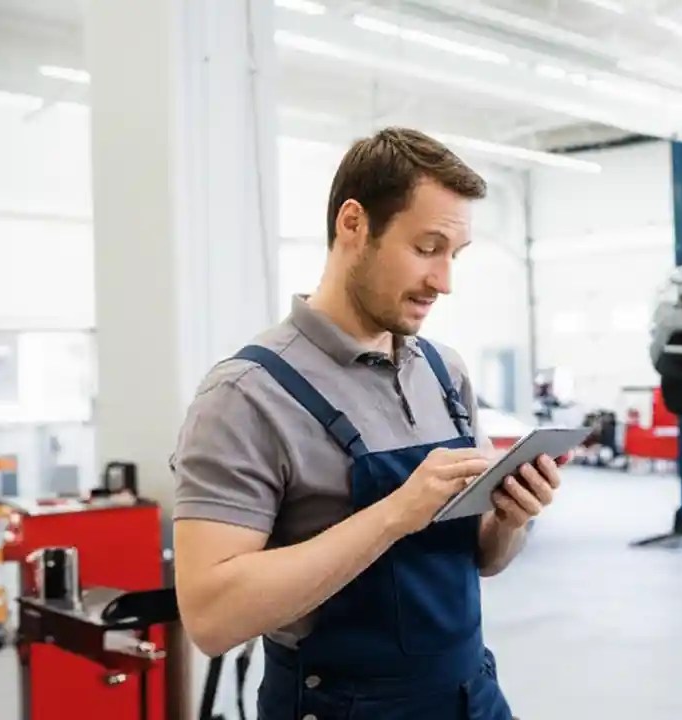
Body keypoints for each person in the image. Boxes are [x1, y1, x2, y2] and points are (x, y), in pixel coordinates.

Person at [170, 127, 559, 719]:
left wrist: (510, 519)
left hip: (470, 697)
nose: (444, 281)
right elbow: (211, 618)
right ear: (353, 225)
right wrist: (393, 516)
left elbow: (484, 559)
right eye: (427, 248)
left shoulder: (443, 372)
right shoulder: (246, 396)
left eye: (455, 255)